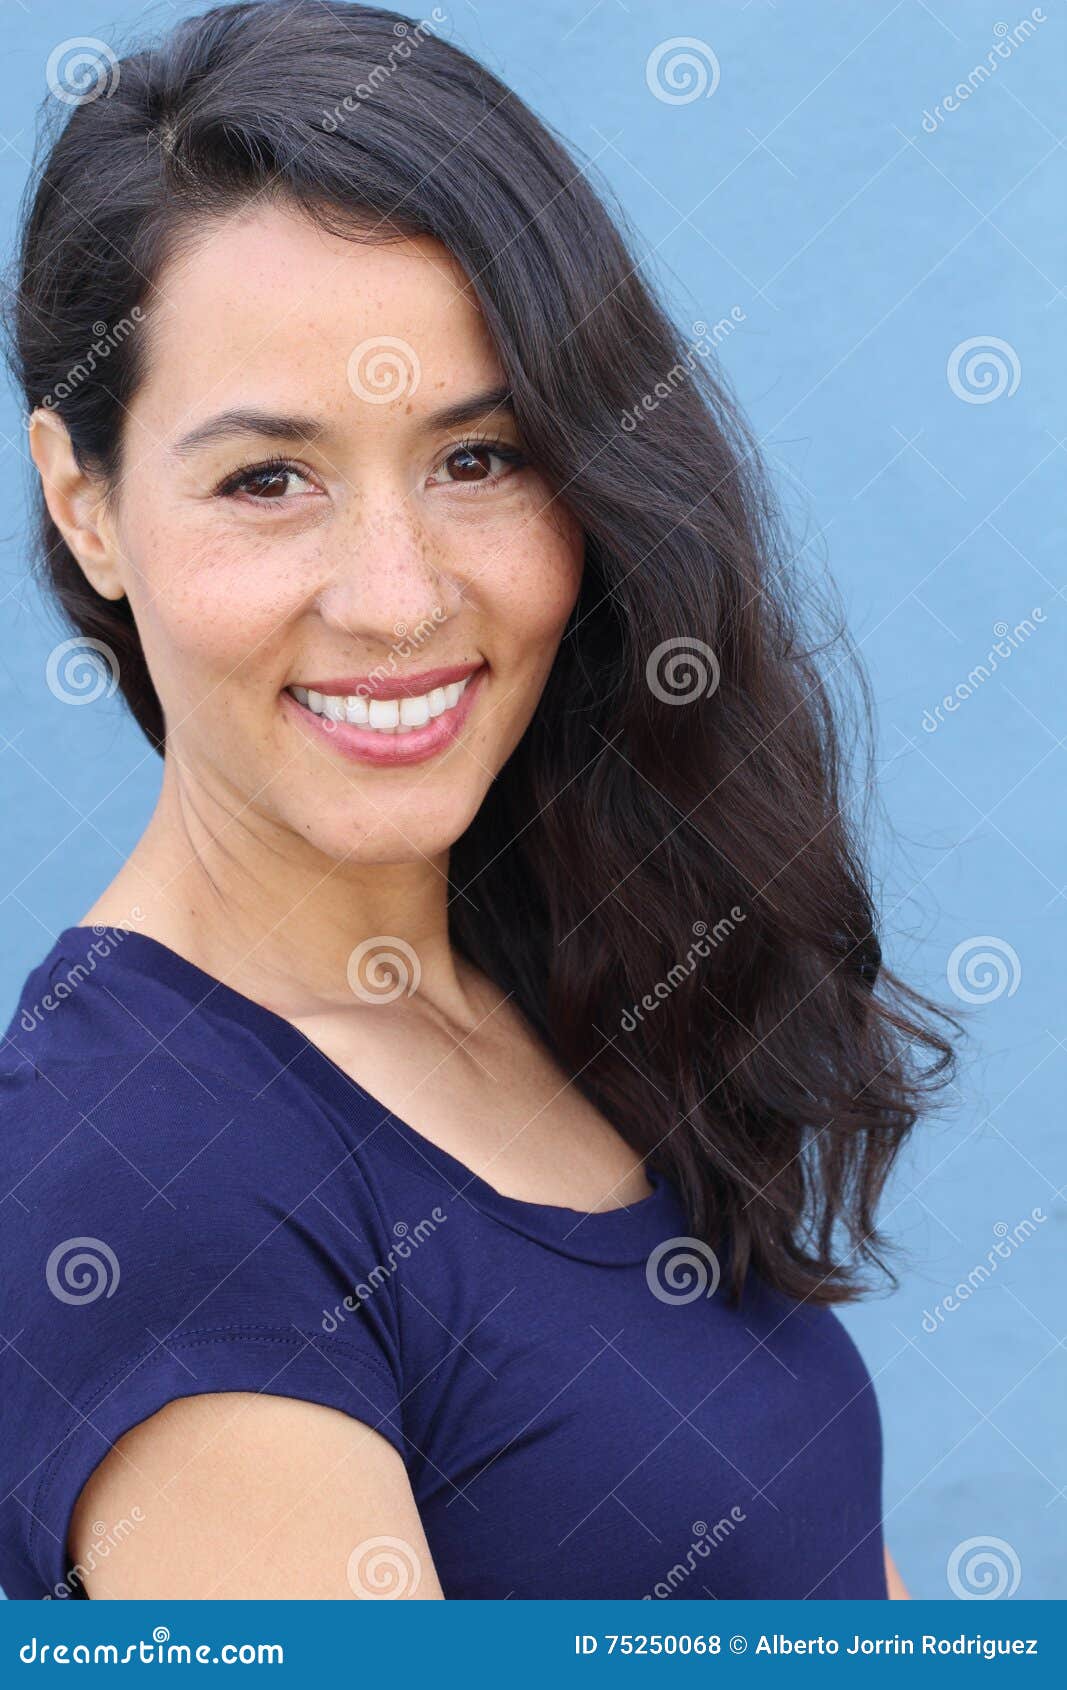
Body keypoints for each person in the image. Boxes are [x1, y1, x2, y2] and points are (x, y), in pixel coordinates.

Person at [0, 0, 952, 1599]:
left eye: (480, 458)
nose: (395, 598)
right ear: (84, 502)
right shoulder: (129, 1174)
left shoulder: (569, 968)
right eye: (267, 479)